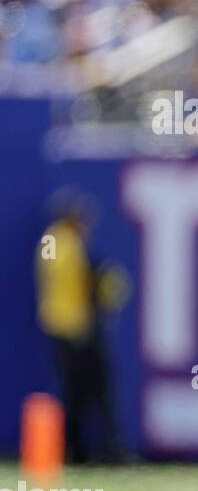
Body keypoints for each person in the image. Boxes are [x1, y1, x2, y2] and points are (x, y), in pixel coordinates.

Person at [35, 190, 132, 464]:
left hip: (68, 328)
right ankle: (99, 450)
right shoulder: (60, 241)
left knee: (80, 393)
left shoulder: (60, 241)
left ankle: (82, 450)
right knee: (91, 392)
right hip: (75, 330)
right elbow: (73, 276)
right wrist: (99, 277)